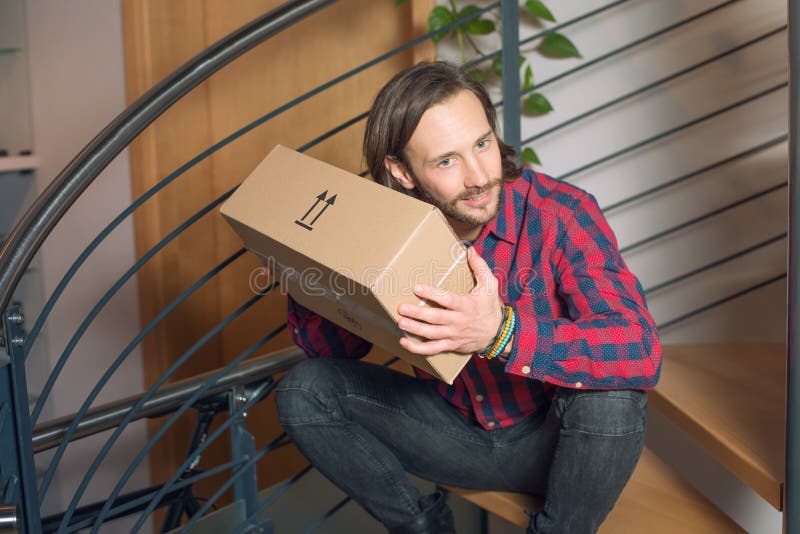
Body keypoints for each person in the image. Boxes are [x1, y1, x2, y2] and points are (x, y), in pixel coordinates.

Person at [275, 61, 661, 534]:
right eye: (446, 161)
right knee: (304, 389)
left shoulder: (560, 213)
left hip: (554, 441)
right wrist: (309, 270)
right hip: (449, 434)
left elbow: (638, 349)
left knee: (614, 393)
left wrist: (502, 334)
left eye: (482, 144)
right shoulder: (388, 232)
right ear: (402, 171)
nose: (479, 176)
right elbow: (336, 353)